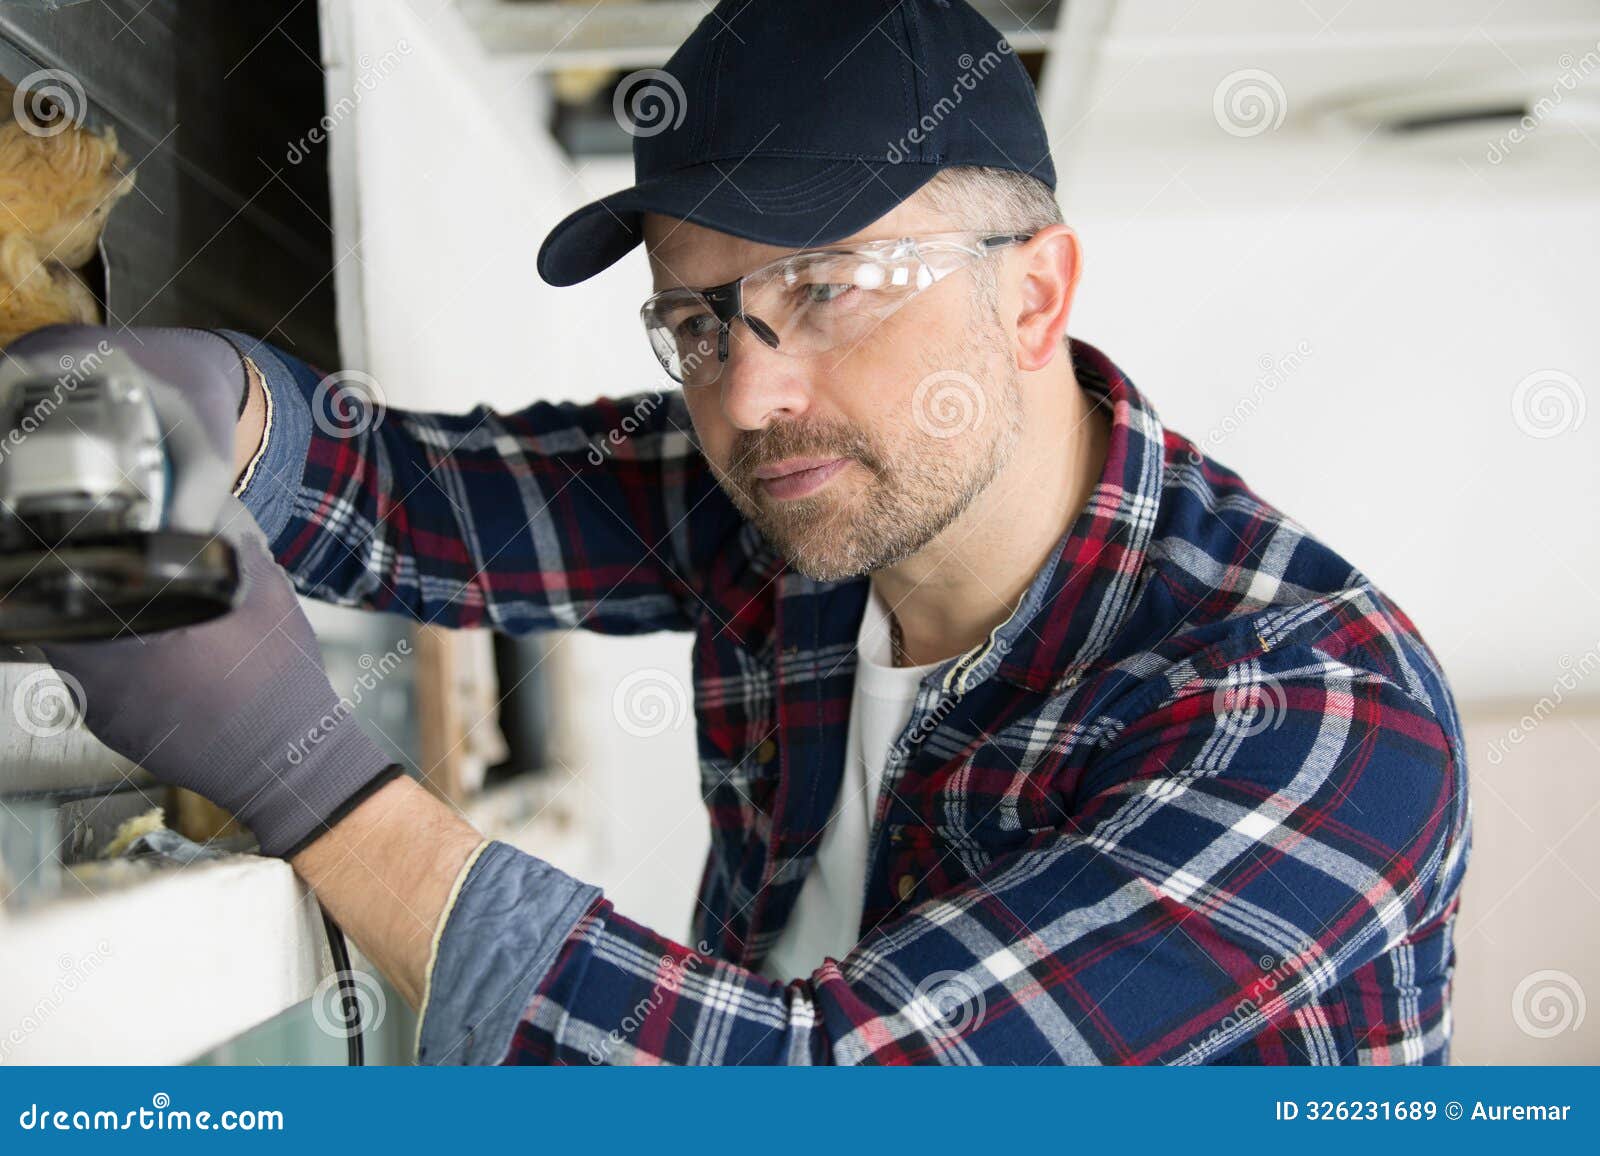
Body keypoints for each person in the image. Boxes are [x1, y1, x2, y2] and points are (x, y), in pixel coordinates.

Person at [22, 0, 1469, 1064]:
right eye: (700, 321)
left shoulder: (1312, 719)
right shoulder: (804, 490)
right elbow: (402, 496)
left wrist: (305, 777)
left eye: (832, 287)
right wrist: (199, 403)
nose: (755, 395)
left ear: (1031, 296)